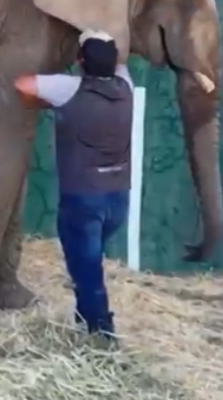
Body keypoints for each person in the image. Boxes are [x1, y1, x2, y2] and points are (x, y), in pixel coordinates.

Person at [14, 29, 134, 337]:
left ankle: (102, 334)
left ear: (79, 60)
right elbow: (121, 62)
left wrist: (40, 102)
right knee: (87, 264)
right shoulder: (126, 86)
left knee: (88, 272)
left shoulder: (67, 88)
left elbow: (22, 84)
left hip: (83, 200)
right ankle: (85, 322)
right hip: (118, 198)